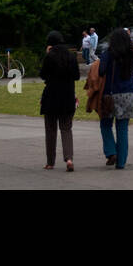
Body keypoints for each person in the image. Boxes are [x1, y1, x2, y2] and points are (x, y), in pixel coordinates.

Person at [40, 30, 80, 171]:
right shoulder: (71, 56)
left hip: (51, 96)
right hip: (67, 96)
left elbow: (43, 75)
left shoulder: (50, 57)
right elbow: (76, 76)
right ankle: (69, 159)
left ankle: (50, 162)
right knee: (66, 129)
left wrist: (47, 54)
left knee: (50, 130)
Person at [97, 28, 133, 169]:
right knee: (122, 129)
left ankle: (110, 151)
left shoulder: (108, 54)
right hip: (128, 94)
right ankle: (121, 162)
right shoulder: (132, 55)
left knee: (105, 124)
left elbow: (101, 71)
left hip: (110, 94)